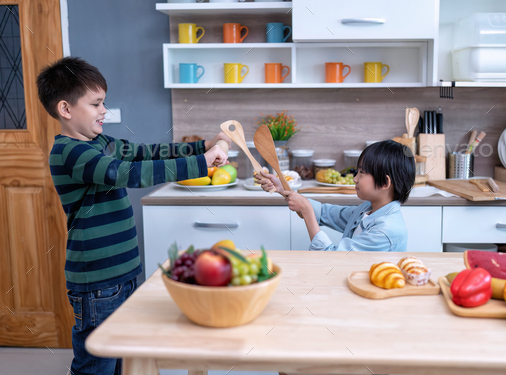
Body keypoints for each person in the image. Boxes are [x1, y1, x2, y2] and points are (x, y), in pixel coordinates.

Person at [36, 56, 230, 374]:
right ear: (66, 110)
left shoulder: (99, 143)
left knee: (122, 356)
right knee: (96, 362)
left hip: (123, 272)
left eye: (104, 103)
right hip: (97, 280)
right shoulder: (70, 153)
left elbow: (146, 152)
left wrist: (202, 146)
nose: (104, 111)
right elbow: (125, 173)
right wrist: (202, 163)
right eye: (96, 104)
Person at [256, 140, 415, 252]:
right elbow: (326, 213)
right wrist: (282, 187)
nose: (355, 178)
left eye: (362, 172)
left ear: (385, 183)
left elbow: (334, 259)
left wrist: (307, 213)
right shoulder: (367, 210)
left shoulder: (386, 230)